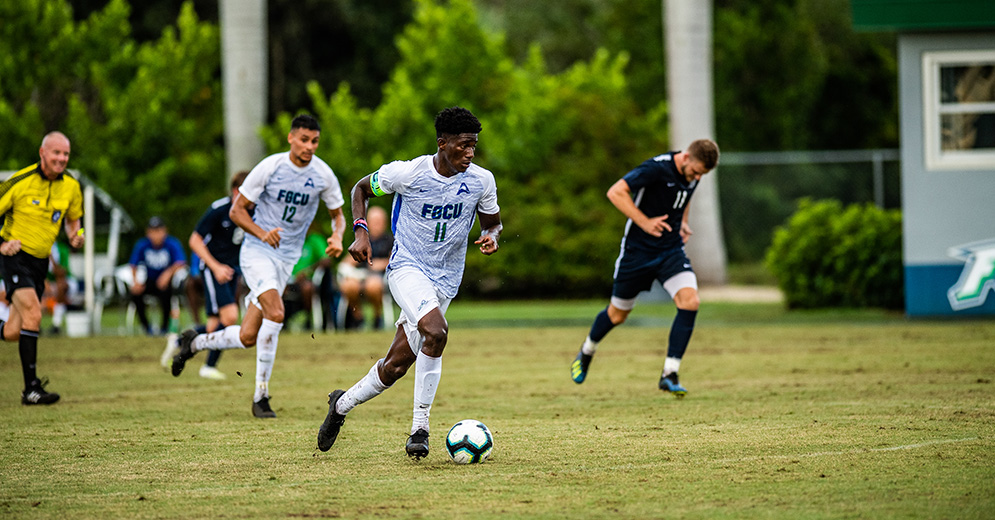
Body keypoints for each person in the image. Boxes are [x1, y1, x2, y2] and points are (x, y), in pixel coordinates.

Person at [317, 106, 502, 459]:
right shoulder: (407, 173)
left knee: (396, 365)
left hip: (447, 280)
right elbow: (360, 189)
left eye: (474, 145)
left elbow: (492, 221)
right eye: (463, 145)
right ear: (442, 143)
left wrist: (491, 235)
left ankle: (341, 404)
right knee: (437, 331)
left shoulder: (482, 180)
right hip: (407, 268)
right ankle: (420, 429)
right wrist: (361, 233)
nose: (470, 152)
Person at [170, 114, 345, 419]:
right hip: (257, 252)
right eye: (303, 140)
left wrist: (338, 236)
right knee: (276, 312)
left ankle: (194, 342)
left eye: (314, 141)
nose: (309, 146)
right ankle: (260, 397)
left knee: (247, 336)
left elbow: (338, 215)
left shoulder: (323, 175)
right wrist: (262, 233)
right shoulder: (271, 167)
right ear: (291, 138)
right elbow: (238, 212)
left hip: (286, 259)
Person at [570, 139, 720, 398]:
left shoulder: (693, 174)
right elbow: (615, 192)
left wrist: (682, 221)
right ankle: (586, 351)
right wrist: (645, 222)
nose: (697, 177)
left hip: (670, 250)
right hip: (637, 253)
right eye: (696, 172)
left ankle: (669, 373)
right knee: (617, 315)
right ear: (686, 157)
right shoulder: (655, 169)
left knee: (690, 301)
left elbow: (685, 195)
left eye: (702, 175)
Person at [0, 131, 85, 405]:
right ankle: (31, 390)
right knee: (35, 314)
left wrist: (75, 234)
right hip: (15, 257)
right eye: (56, 153)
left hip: (40, 262)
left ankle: (32, 387)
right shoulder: (19, 181)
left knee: (14, 331)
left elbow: (74, 219)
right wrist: (1, 244)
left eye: (66, 154)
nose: (61, 159)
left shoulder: (71, 186)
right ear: (42, 153)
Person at [179, 170, 250, 380]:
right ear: (236, 191)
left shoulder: (254, 211)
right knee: (229, 318)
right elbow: (195, 240)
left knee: (213, 325)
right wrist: (216, 267)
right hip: (213, 269)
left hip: (232, 270)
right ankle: (207, 365)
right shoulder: (219, 209)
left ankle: (180, 341)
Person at [127, 216, 186, 336]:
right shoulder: (143, 245)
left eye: (158, 231)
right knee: (135, 294)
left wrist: (167, 274)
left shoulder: (172, 243)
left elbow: (181, 263)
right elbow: (133, 265)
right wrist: (136, 282)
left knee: (166, 292)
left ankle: (164, 328)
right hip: (150, 280)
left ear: (164, 231)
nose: (156, 235)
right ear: (148, 232)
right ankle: (146, 327)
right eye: (153, 231)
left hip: (167, 283)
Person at [337, 205, 393, 330]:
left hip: (380, 277)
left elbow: (395, 260)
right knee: (348, 285)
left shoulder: (390, 239)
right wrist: (347, 266)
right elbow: (349, 260)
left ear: (385, 223)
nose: (376, 225)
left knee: (373, 285)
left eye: (379, 222)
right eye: (373, 222)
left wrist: (383, 263)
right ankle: (358, 317)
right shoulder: (362, 239)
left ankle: (377, 317)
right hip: (360, 275)